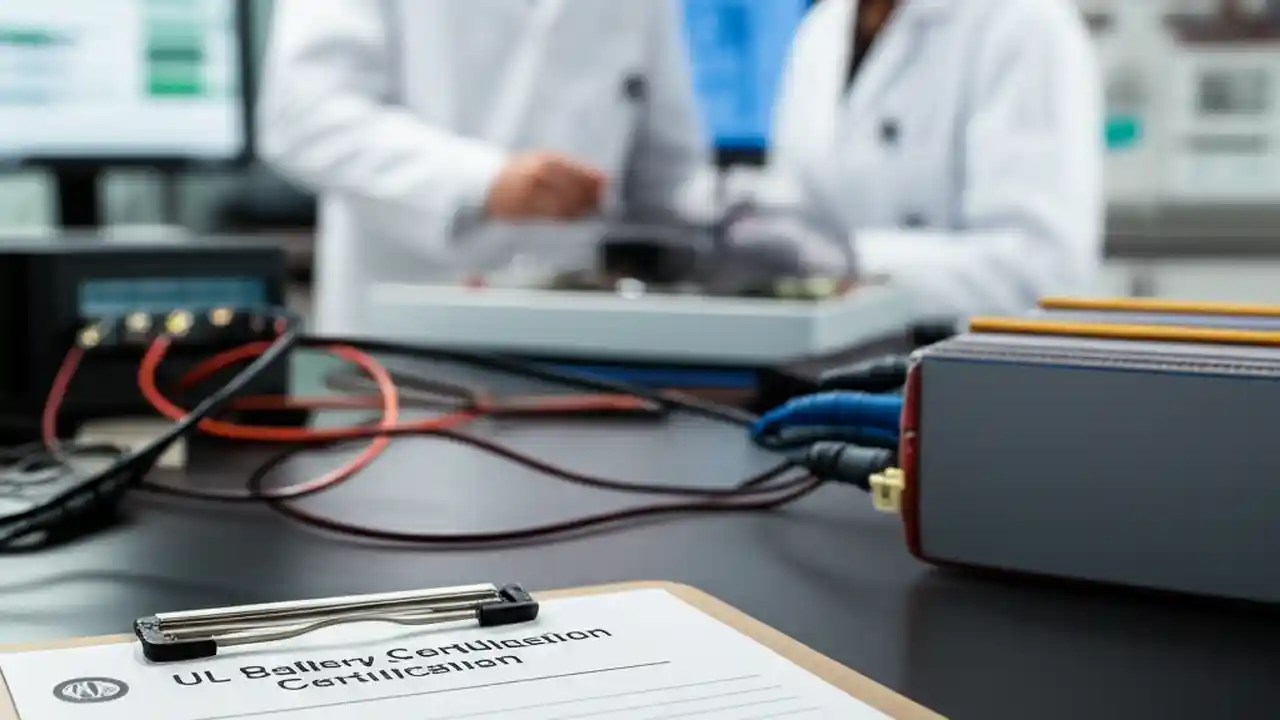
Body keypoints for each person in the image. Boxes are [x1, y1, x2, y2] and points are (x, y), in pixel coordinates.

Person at [258, 0, 711, 334]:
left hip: (588, 336)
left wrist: (735, 220)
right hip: (408, 339)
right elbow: (303, 115)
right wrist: (483, 181)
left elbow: (669, 169)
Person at [767, 0, 1104, 318]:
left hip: (957, 368)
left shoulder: (1023, 20)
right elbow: (797, 212)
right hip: (812, 364)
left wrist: (850, 262)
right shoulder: (824, 26)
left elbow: (1041, 270)